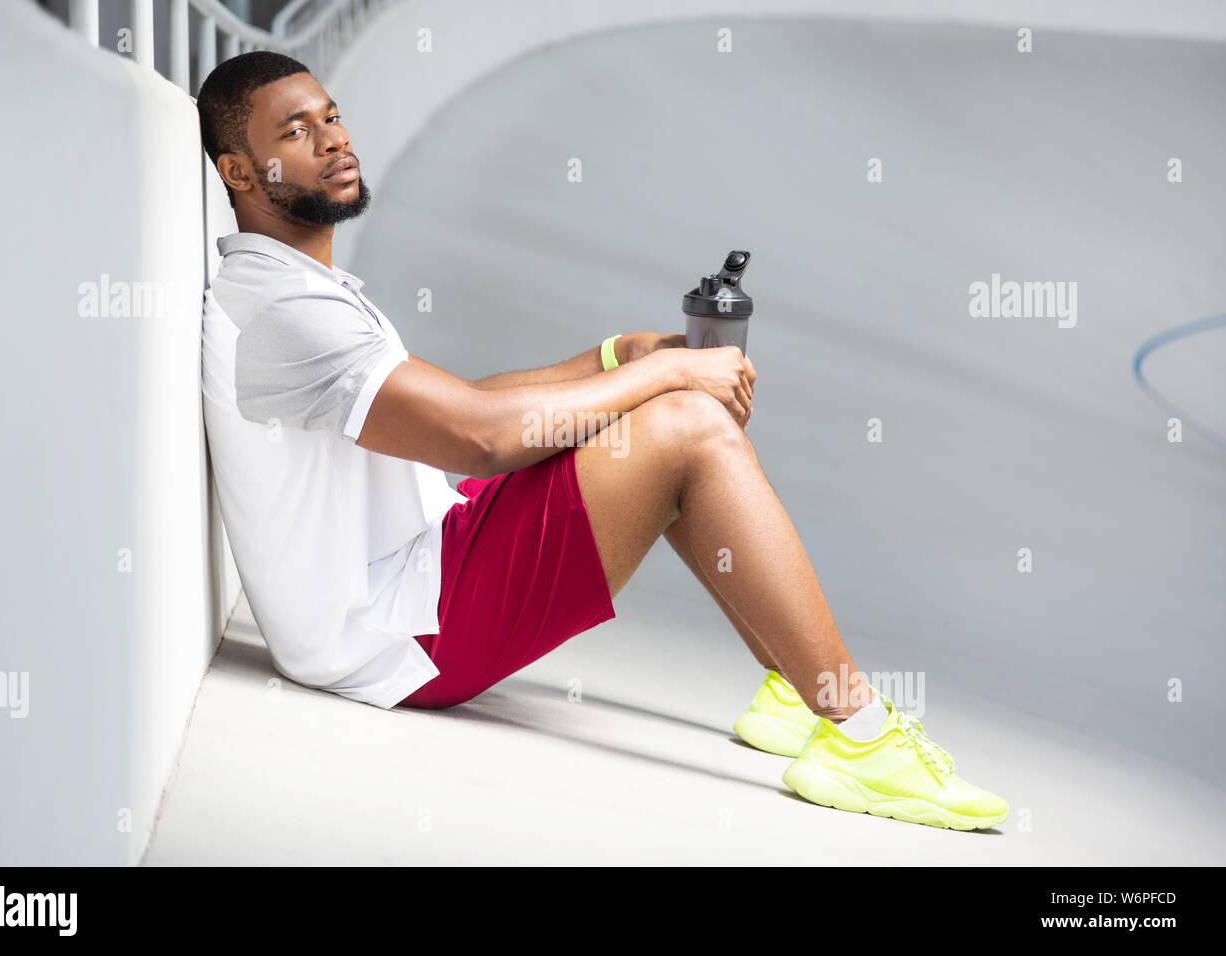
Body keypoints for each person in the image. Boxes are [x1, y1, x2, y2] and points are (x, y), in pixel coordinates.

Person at [196, 51, 1007, 831]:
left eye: (331, 117)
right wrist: (666, 384)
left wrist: (618, 357)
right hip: (393, 638)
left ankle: (794, 691)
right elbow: (480, 439)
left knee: (648, 413)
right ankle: (861, 737)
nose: (334, 138)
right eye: (296, 131)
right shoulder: (283, 313)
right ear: (238, 171)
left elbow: (465, 404)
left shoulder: (297, 288)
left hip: (412, 566)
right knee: (684, 425)